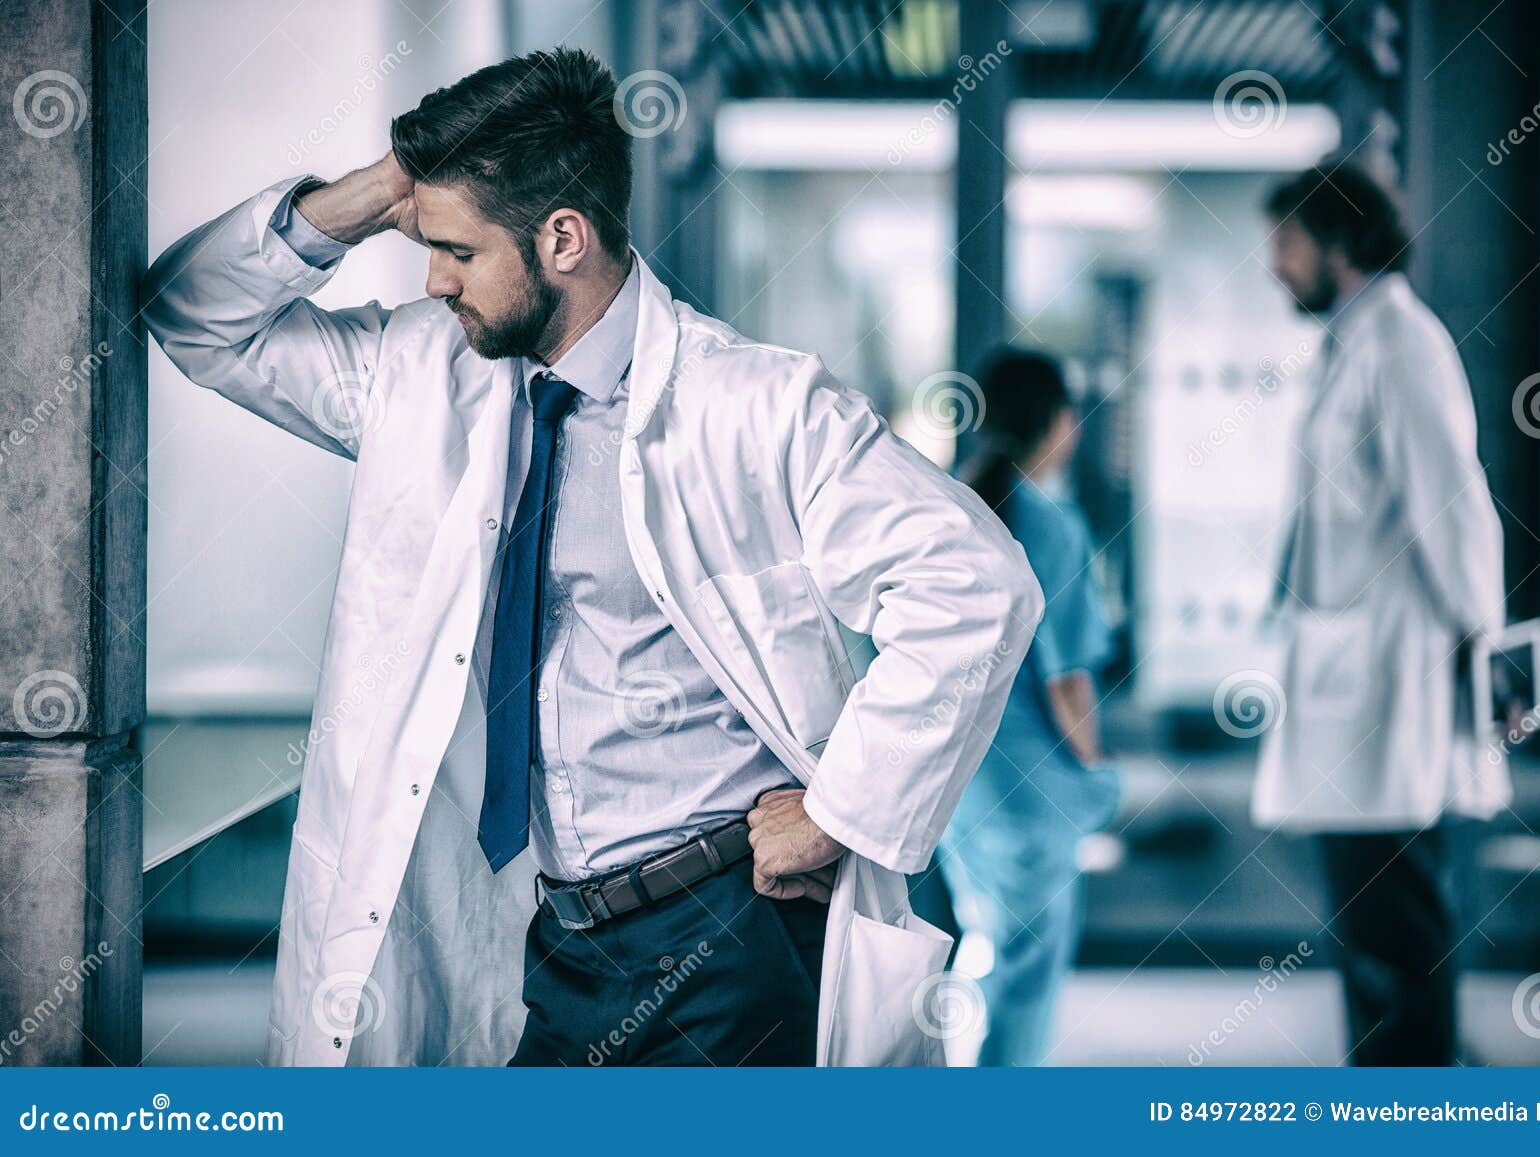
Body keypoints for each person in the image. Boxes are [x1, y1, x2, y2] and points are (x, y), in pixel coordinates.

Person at [141, 48, 1043, 1067]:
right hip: (554, 935)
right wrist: (387, 184)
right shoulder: (424, 372)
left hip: (722, 930)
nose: (433, 279)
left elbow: (975, 583)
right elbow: (194, 315)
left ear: (562, 237)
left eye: (457, 250)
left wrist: (841, 810)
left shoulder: (759, 404)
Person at [1256, 159, 1508, 1066]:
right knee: (1372, 932)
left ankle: (1416, 1110)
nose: (1273, 263)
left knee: (1398, 935)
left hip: (1391, 693)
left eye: (1285, 240)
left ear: (1340, 238)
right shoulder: (1355, 342)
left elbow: (1453, 507)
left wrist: (1490, 655)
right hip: (1352, 692)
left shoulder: (1402, 342)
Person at [940, 347, 1121, 1067]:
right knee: (1024, 977)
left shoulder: (946, 509)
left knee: (984, 950)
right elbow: (1069, 683)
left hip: (959, 786)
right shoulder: (1053, 526)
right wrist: (1100, 774)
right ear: (1059, 424)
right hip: (1034, 788)